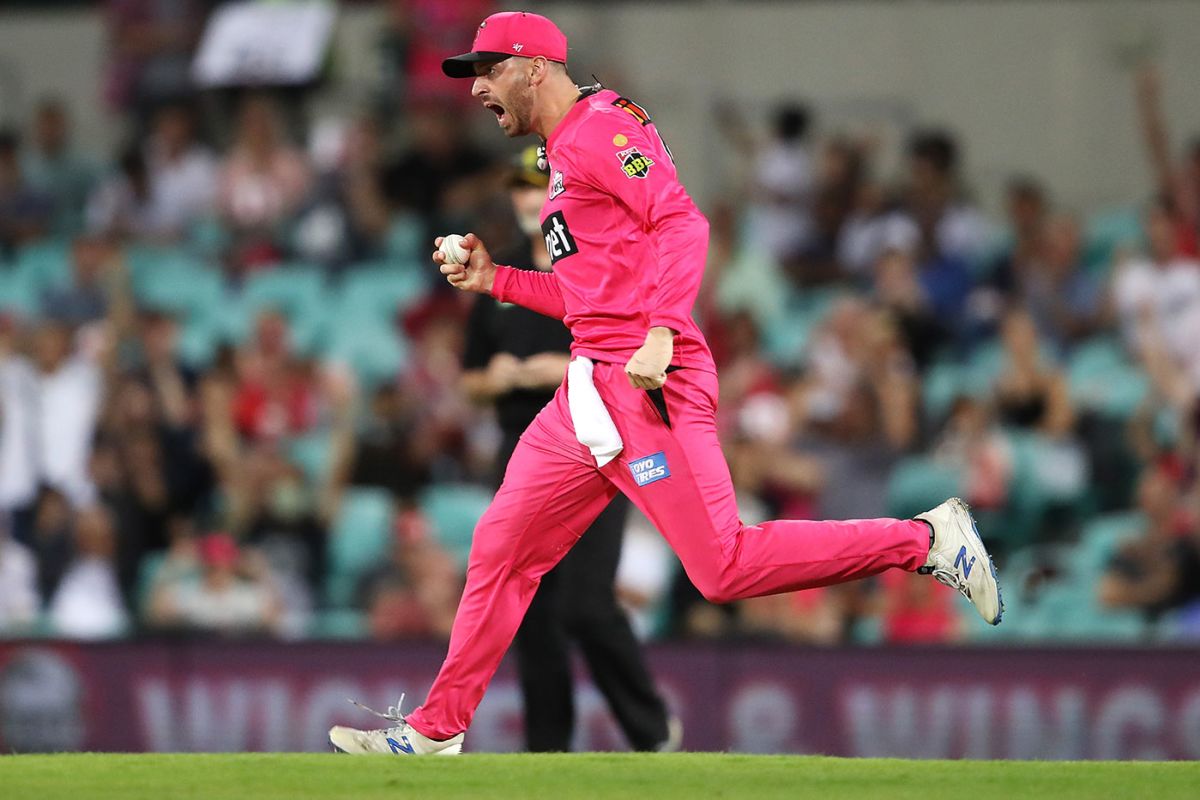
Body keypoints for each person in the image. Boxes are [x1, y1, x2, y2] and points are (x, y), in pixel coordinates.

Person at [330, 11, 1002, 757]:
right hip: (591, 384)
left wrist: (660, 330)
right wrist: (497, 280)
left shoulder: (597, 129)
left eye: (487, 70)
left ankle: (926, 539)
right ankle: (437, 729)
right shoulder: (564, 148)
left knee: (723, 568)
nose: (478, 88)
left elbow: (684, 223)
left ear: (531, 66)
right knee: (499, 548)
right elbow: (590, 297)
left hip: (651, 379)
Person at [460, 146, 675, 752]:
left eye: (539, 187)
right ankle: (547, 754)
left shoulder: (594, 268)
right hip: (520, 444)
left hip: (597, 439)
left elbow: (631, 350)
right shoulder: (500, 275)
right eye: (521, 189)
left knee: (584, 601)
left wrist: (565, 368)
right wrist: (498, 378)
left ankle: (651, 731)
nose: (530, 200)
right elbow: (470, 376)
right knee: (529, 605)